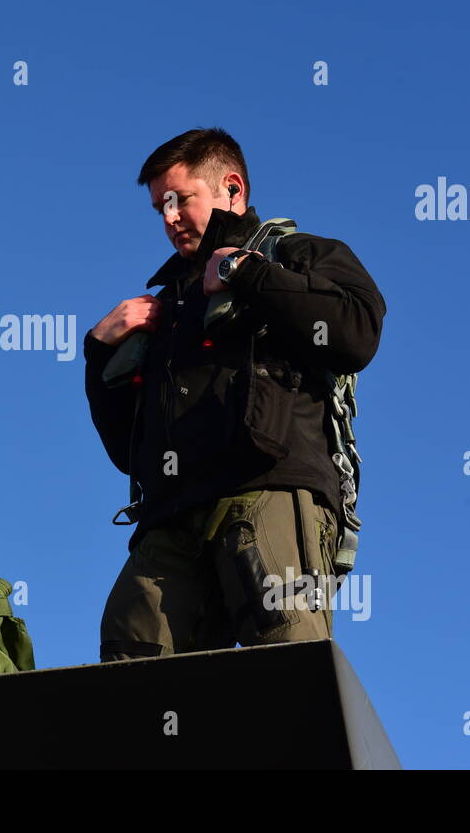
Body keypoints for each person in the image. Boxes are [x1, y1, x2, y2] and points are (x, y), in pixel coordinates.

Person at [85, 127, 386, 662]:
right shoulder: (162, 309)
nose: (169, 218)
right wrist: (98, 354)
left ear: (232, 188)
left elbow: (357, 330)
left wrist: (244, 272)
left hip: (269, 488)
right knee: (128, 673)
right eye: (159, 208)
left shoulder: (297, 254)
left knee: (288, 664)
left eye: (180, 200)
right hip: (171, 518)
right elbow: (125, 452)